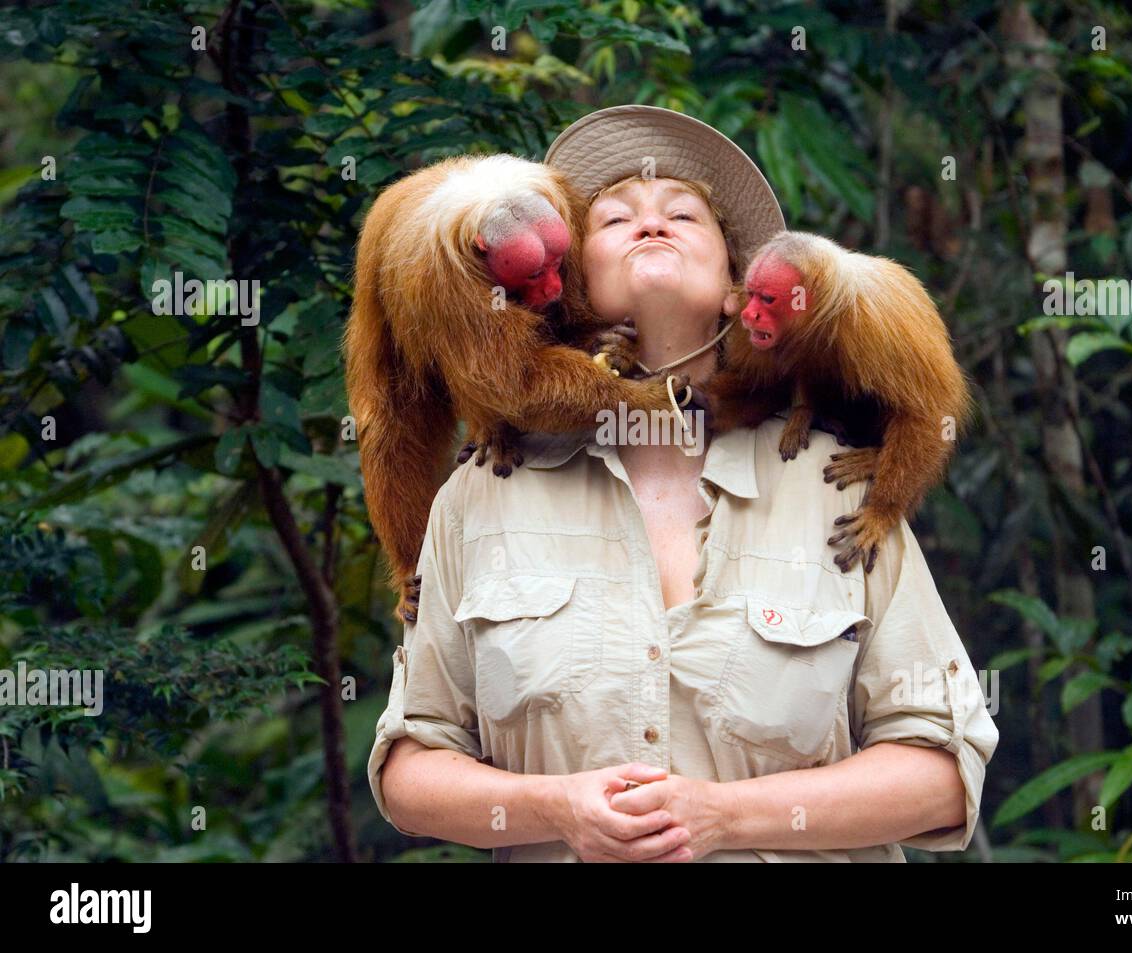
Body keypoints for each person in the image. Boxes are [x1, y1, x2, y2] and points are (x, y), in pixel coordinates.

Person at [366, 104, 999, 862]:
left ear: (740, 288)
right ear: (568, 286)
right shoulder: (482, 492)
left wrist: (726, 817)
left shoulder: (833, 484)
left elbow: (943, 772)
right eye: (615, 217)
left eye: (684, 213)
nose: (651, 221)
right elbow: (410, 769)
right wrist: (555, 807)